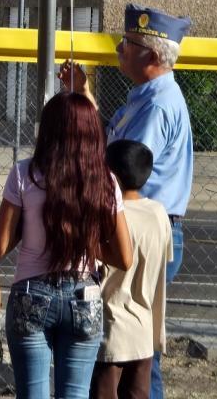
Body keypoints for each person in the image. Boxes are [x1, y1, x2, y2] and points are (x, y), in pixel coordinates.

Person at [61, 4, 192, 399]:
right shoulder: (146, 94)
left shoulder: (155, 104)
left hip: (140, 230)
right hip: (137, 227)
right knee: (135, 341)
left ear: (151, 56)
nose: (119, 47)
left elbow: (124, 165)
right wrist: (84, 94)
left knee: (129, 346)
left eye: (129, 43)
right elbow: (115, 147)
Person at [0, 92, 132, 399]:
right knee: (76, 394)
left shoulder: (24, 172)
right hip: (84, 295)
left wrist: (23, 226)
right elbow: (125, 256)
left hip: (31, 294)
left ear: (49, 129)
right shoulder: (105, 181)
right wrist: (89, 243)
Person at [91, 140, 173, 399]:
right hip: (143, 332)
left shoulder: (108, 214)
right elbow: (164, 259)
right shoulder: (159, 213)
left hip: (110, 330)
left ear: (110, 174)